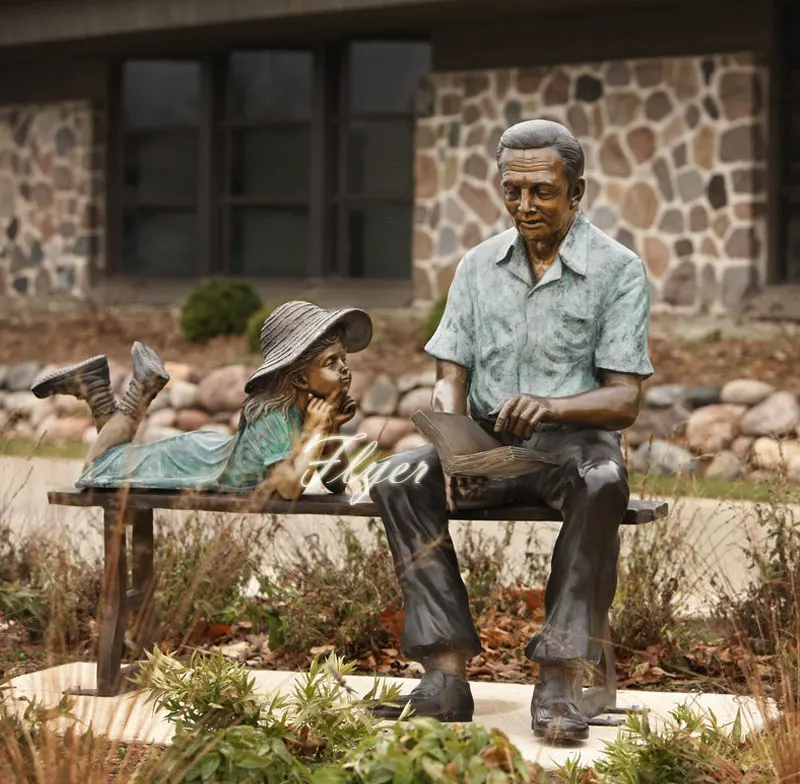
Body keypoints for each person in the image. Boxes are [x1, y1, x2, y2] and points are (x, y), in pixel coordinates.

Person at [370, 119, 654, 742]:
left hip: (574, 444)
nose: (525, 205)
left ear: (576, 192)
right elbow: (450, 371)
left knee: (603, 480)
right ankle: (443, 673)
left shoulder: (618, 269)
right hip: (487, 443)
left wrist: (550, 406)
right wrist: (449, 439)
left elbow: (624, 397)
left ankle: (558, 679)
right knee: (395, 477)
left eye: (543, 192)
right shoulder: (477, 267)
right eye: (513, 190)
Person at [29, 301, 371, 498]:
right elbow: (290, 489)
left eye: (343, 359)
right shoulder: (275, 417)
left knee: (113, 458)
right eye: (331, 362)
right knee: (98, 468)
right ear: (298, 377)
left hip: (212, 453)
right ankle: (133, 389)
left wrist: (330, 429)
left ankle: (96, 388)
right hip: (192, 463)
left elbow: (335, 482)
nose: (343, 369)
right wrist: (315, 431)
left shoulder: (311, 409)